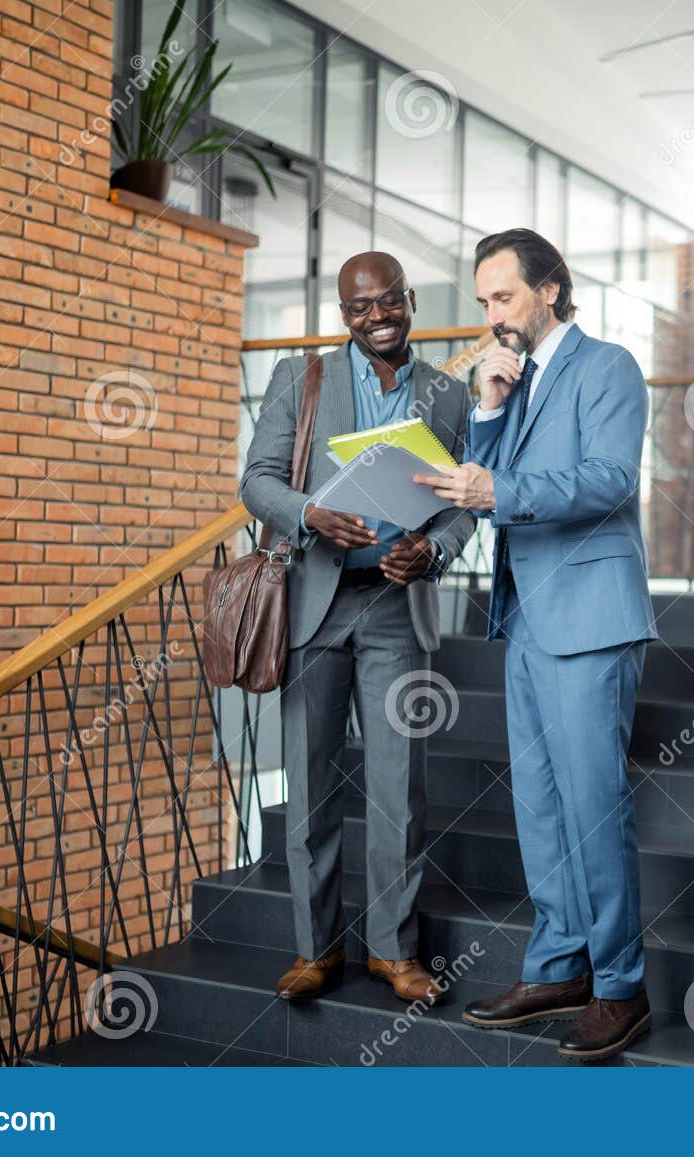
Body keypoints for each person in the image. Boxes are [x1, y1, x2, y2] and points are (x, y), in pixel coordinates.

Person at [416, 228, 658, 1060]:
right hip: (526, 618)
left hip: (591, 617)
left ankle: (620, 985)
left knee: (593, 808)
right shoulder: (516, 381)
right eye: (483, 301)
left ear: (551, 288)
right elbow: (487, 492)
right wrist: (486, 410)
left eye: (504, 297)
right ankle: (558, 964)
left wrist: (499, 481)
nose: (493, 314)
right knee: (542, 808)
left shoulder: (608, 367)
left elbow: (609, 478)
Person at [239, 252, 475, 1005]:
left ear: (410, 300)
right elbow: (258, 480)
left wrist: (433, 547)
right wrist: (309, 513)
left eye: (389, 302)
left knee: (397, 787)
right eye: (359, 307)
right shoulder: (301, 380)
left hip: (394, 605)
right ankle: (317, 948)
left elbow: (462, 501)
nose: (376, 317)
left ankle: (394, 952)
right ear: (345, 314)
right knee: (309, 785)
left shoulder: (447, 393)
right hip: (316, 599)